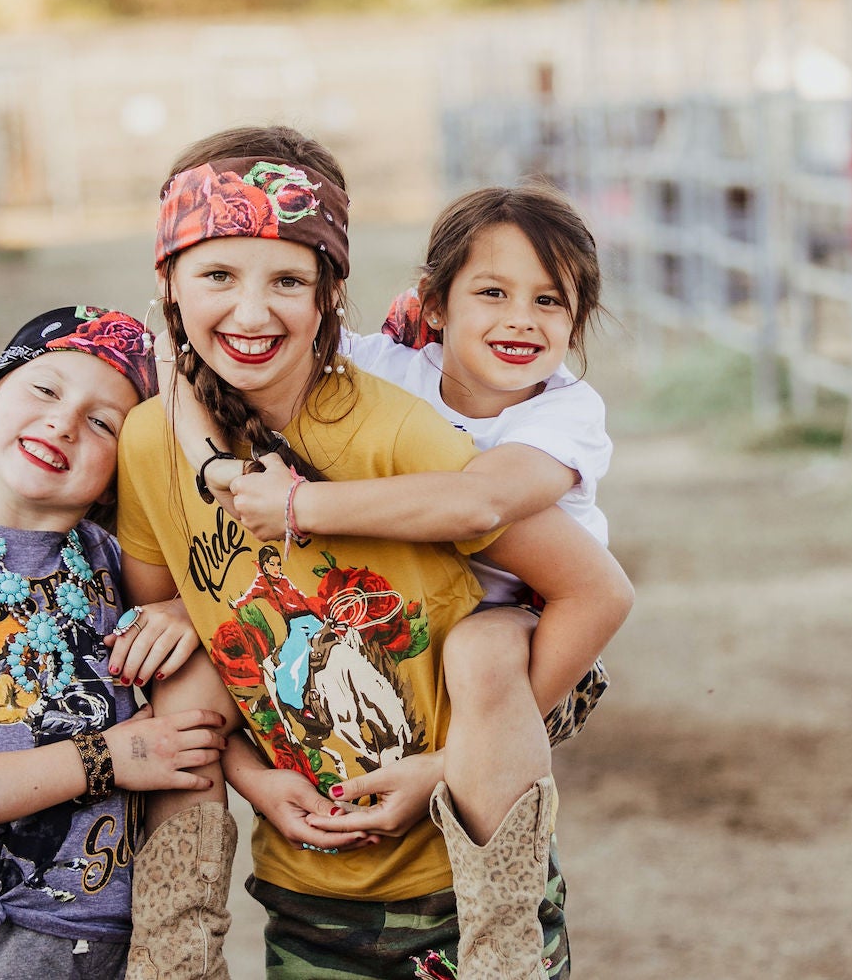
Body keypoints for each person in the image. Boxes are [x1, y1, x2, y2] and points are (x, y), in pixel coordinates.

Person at [113, 126, 633, 980]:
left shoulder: (414, 424)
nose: (252, 312)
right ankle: (174, 962)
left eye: (288, 280)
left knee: (484, 652)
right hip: (307, 886)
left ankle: (503, 956)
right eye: (217, 275)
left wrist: (299, 506)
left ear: (329, 293)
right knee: (180, 664)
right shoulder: (161, 436)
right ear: (167, 285)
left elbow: (557, 560)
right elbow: (177, 373)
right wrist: (246, 763)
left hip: (499, 723)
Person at [203, 181, 615, 843]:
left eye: (549, 300)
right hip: (409, 607)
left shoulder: (565, 413)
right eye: (493, 292)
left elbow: (479, 503)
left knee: (480, 652)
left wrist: (300, 505)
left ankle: (498, 883)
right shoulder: (382, 370)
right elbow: (253, 368)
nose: (521, 319)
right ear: (435, 304)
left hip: (524, 630)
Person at [0, 307, 239, 980]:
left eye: (102, 423)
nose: (62, 423)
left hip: (140, 946)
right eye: (46, 390)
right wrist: (108, 758)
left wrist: (186, 609)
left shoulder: (118, 566)